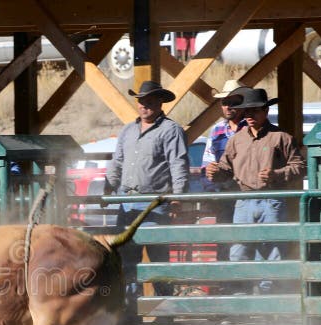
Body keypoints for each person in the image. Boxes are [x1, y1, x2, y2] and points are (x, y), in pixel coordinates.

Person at [206, 87, 305, 294]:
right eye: (247, 111)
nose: (250, 115)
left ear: (265, 111)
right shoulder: (237, 139)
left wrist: (276, 175)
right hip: (243, 199)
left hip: (271, 199)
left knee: (272, 252)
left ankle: (270, 302)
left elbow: (299, 167)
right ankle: (241, 298)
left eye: (254, 111)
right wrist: (216, 173)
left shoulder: (281, 138)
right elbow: (226, 168)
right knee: (239, 251)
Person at [105, 80, 190, 311]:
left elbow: (178, 164)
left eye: (150, 100)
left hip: (154, 202)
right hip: (126, 201)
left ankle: (167, 310)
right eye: (142, 100)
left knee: (158, 258)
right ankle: (131, 310)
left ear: (160, 102)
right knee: (127, 259)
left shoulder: (171, 130)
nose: (145, 105)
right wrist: (108, 186)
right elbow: (118, 162)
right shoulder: (128, 130)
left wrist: (177, 198)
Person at [200, 79, 248, 259]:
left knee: (244, 244)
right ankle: (225, 285)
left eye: (233, 103)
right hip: (224, 197)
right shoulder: (217, 130)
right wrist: (211, 190)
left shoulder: (251, 128)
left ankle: (244, 285)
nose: (228, 107)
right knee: (224, 244)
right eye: (225, 103)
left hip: (246, 195)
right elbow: (207, 165)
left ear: (243, 104)